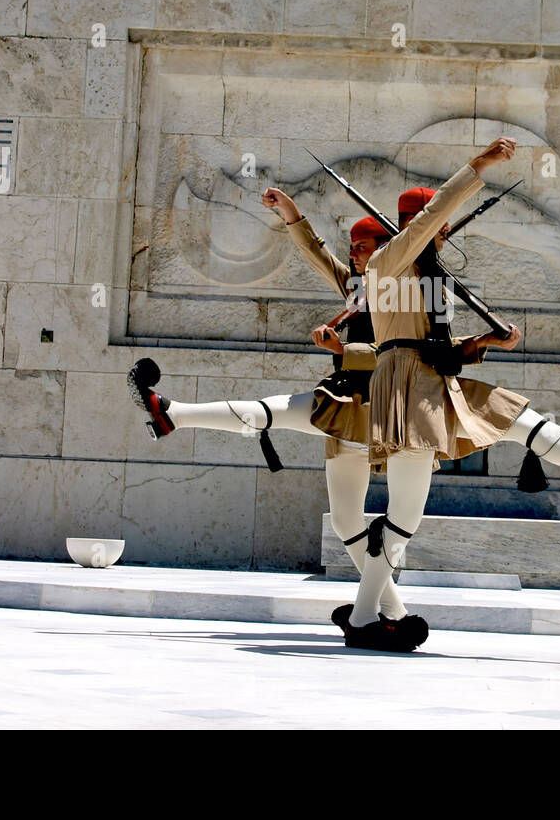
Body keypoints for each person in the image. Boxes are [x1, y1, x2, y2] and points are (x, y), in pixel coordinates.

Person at [342, 137, 560, 652]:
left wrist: (486, 340)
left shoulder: (424, 277)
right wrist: (477, 168)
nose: (444, 232)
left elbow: (439, 348)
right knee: (403, 518)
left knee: (522, 420)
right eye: (438, 225)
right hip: (405, 384)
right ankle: (362, 617)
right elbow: (427, 228)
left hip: (429, 377)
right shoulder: (388, 262)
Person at [125, 201, 413, 628]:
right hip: (344, 402)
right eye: (351, 246)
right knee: (345, 519)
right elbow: (317, 253)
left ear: (385, 248)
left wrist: (344, 350)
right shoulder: (359, 287)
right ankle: (393, 610)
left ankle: (174, 413)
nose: (352, 254)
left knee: (269, 412)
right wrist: (292, 216)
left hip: (377, 406)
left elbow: (405, 356)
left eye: (362, 247)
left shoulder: (404, 295)